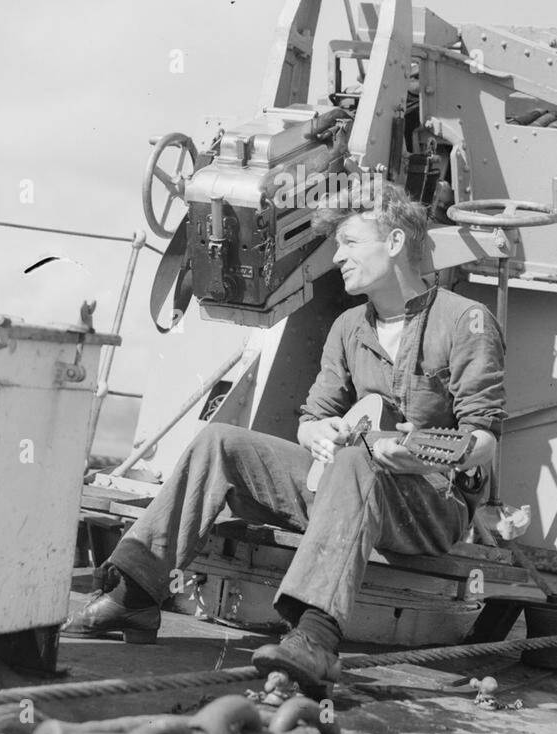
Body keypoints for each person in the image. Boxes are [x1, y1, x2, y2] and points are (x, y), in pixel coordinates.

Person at [64, 181, 506, 697]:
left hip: (429, 506)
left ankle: (316, 636)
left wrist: (416, 456)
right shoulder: (348, 327)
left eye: (350, 242)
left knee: (355, 463)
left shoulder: (464, 321)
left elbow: (482, 440)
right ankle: (136, 592)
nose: (337, 257)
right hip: (345, 491)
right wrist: (318, 433)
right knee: (221, 442)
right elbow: (312, 418)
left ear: (394, 243)